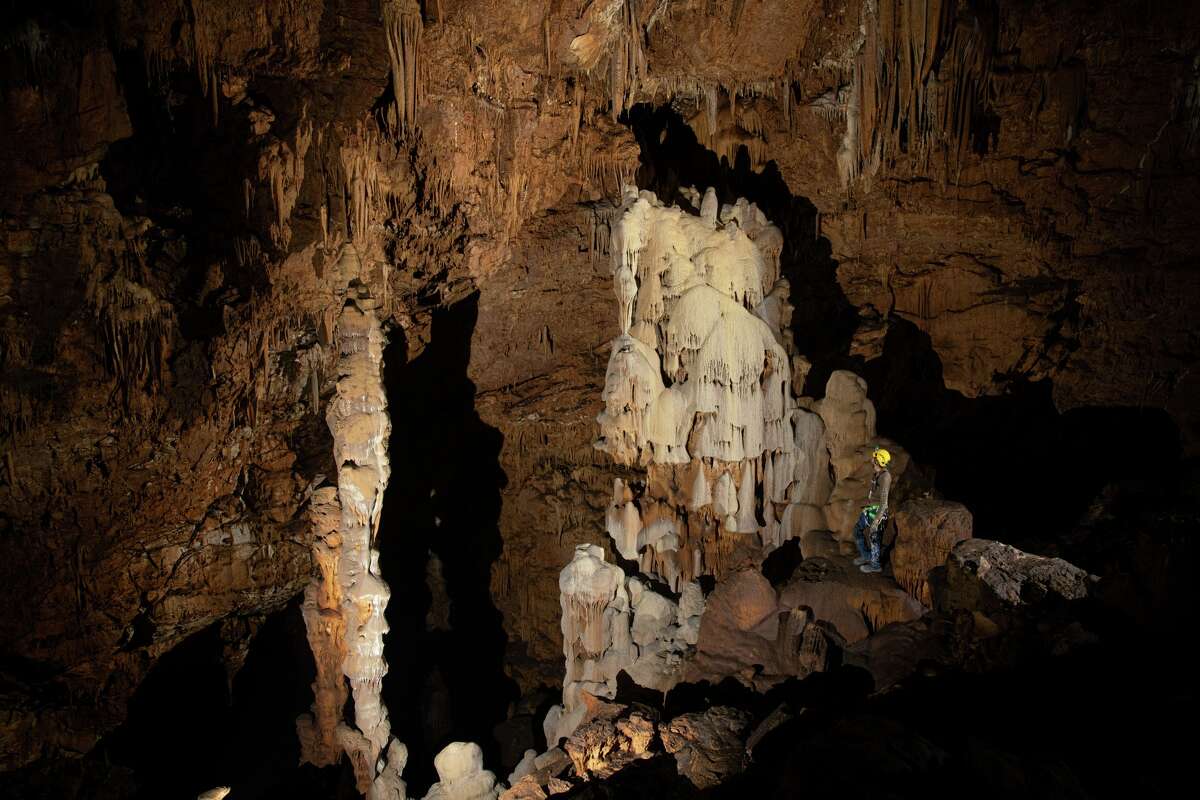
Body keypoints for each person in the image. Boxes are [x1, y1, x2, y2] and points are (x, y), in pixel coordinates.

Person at [853, 447, 892, 573]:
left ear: (878, 460)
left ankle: (875, 565)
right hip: (870, 510)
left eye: (874, 457)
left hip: (878, 512)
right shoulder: (877, 473)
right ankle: (866, 555)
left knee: (874, 537)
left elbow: (884, 502)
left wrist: (877, 520)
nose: (872, 459)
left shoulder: (885, 477)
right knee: (857, 530)